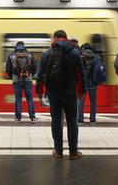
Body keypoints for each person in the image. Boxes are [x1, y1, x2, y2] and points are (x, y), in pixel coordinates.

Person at [36, 30, 85, 160]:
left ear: (55, 38)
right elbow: (81, 74)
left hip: (53, 93)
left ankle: (58, 151)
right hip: (70, 93)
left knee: (56, 121)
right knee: (72, 121)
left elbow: (40, 75)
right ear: (66, 38)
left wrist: (39, 93)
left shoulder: (47, 54)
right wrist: (81, 91)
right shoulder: (74, 53)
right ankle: (73, 152)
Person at [6, 41, 37, 123]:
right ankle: (32, 117)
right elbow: (34, 67)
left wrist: (12, 76)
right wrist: (29, 75)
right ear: (24, 47)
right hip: (28, 80)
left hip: (17, 80)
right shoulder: (29, 55)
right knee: (30, 98)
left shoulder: (11, 56)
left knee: (18, 99)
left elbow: (8, 69)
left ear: (16, 47)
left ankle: (18, 118)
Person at [78, 43, 100, 124]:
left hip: (83, 83)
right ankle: (92, 119)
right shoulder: (96, 57)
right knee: (93, 101)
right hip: (93, 83)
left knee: (81, 100)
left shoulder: (80, 57)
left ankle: (80, 118)